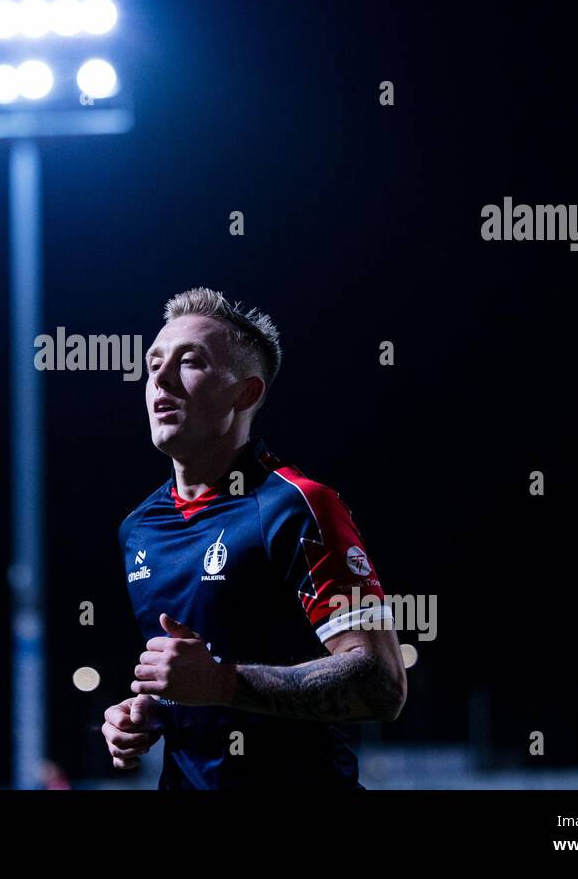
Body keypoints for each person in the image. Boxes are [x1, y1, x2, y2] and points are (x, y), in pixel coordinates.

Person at [102, 287, 407, 788]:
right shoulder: (139, 527)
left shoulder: (298, 504)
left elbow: (381, 684)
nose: (159, 377)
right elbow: (195, 678)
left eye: (191, 361)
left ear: (246, 393)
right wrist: (151, 709)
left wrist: (221, 683)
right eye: (154, 363)